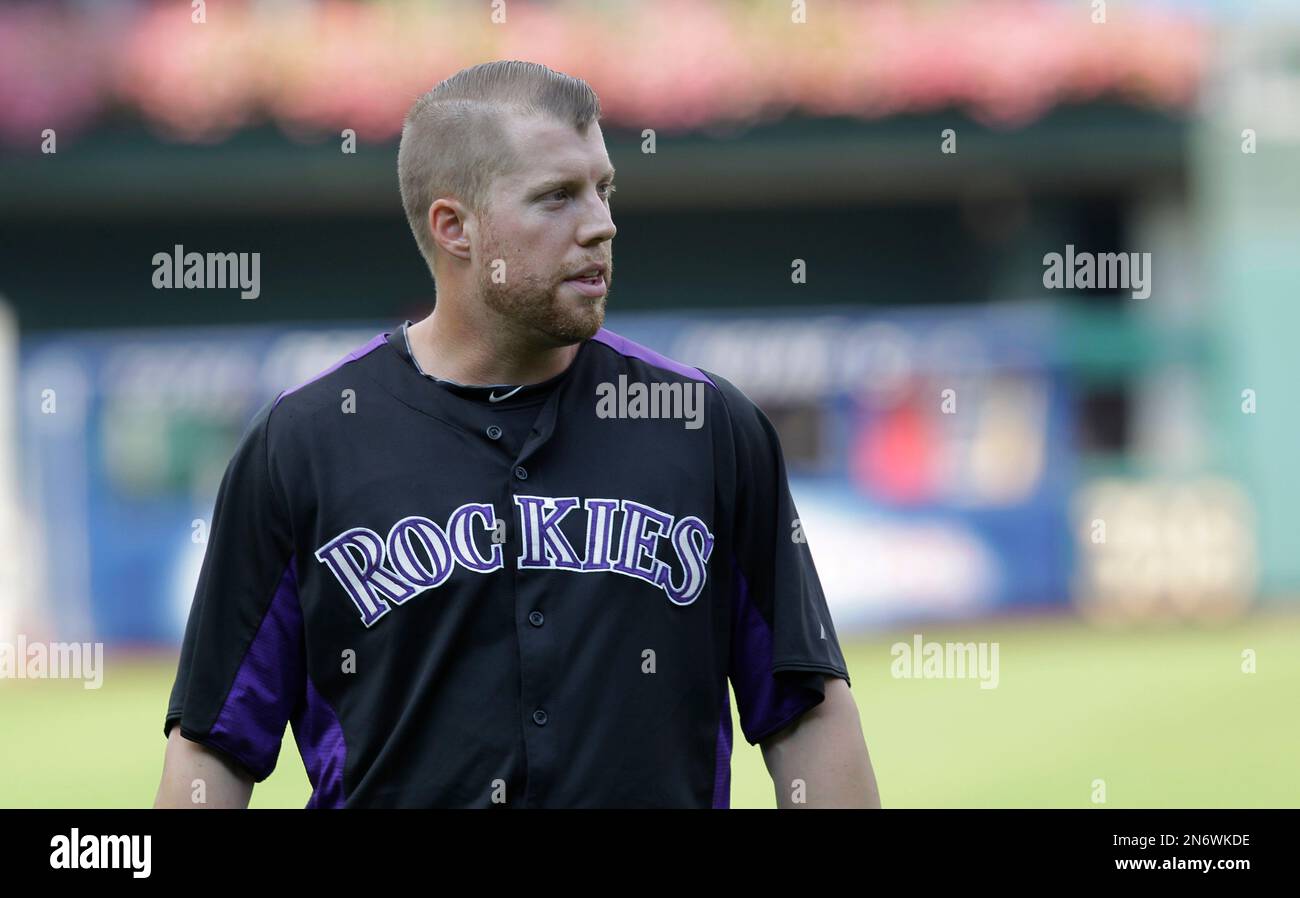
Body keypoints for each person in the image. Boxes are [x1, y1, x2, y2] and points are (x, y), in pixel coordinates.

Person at [154, 60, 880, 809]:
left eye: (604, 189)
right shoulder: (301, 445)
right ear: (455, 228)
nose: (601, 223)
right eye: (557, 197)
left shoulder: (708, 426)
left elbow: (807, 708)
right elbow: (214, 743)